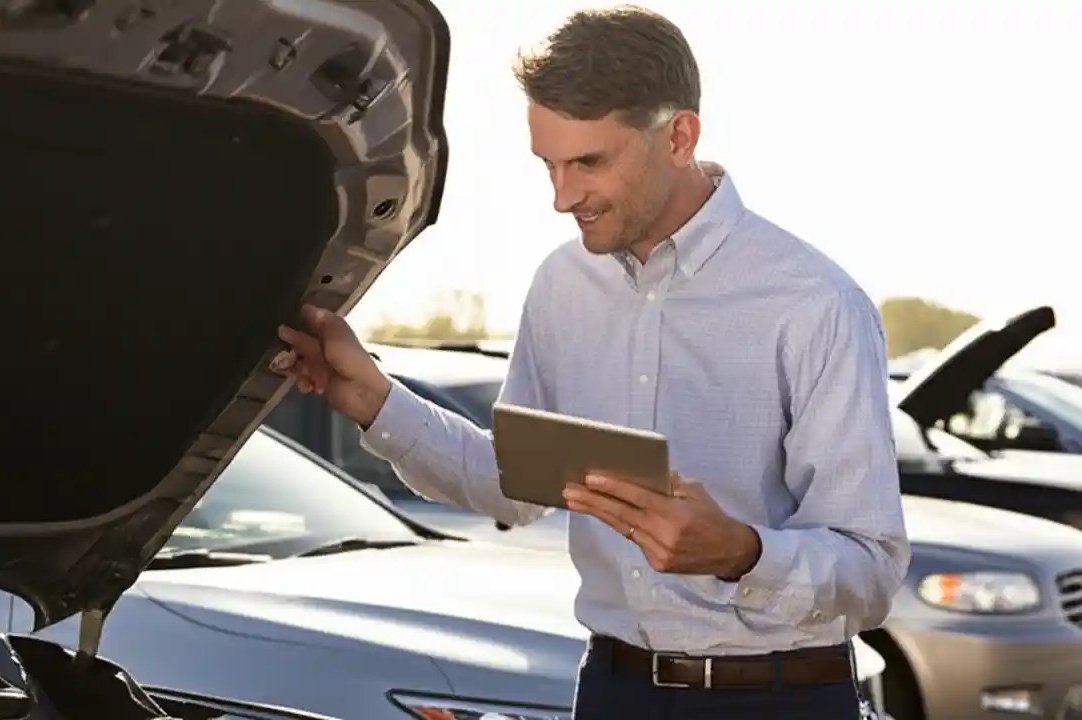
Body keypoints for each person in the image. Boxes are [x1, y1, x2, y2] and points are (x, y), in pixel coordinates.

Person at [272, 5, 909, 718]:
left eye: (589, 162)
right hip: (610, 693)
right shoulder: (561, 286)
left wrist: (740, 552)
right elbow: (513, 484)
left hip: (778, 701)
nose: (562, 196)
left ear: (680, 135)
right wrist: (373, 401)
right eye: (548, 164)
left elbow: (872, 570)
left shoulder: (815, 302)